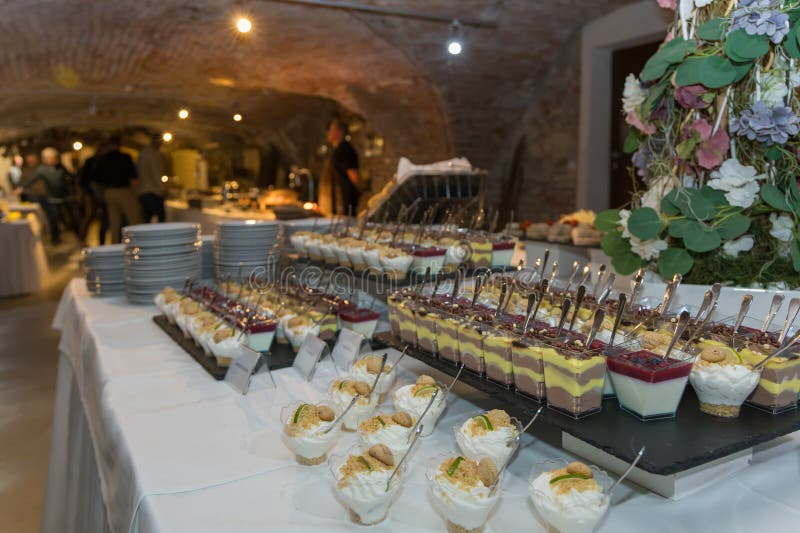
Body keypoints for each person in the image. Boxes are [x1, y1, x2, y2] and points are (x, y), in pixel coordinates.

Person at [17, 147, 69, 243]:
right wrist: (21, 188)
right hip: (45, 198)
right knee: (51, 217)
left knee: (64, 218)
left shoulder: (59, 168)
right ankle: (54, 238)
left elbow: (67, 180)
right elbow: (30, 181)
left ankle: (62, 235)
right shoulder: (41, 169)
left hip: (61, 197)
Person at [96, 136, 141, 243]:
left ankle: (115, 245)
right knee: (134, 219)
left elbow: (98, 179)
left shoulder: (103, 159)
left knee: (114, 223)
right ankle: (138, 243)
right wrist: (135, 193)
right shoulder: (125, 157)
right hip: (124, 190)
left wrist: (102, 193)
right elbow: (133, 178)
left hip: (109, 192)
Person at [325, 117, 361, 216]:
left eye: (331, 130)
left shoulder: (345, 150)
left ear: (339, 132)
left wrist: (358, 190)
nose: (328, 133)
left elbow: (354, 175)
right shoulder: (337, 150)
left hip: (345, 202)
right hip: (339, 202)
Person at [77, 143, 111, 244]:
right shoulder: (93, 161)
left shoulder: (102, 160)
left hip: (99, 193)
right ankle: (82, 237)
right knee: (90, 215)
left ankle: (98, 240)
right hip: (91, 194)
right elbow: (85, 179)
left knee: (103, 217)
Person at [137, 133, 166, 223]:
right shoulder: (152, 154)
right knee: (161, 217)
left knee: (147, 218)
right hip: (152, 191)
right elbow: (155, 173)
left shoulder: (144, 153)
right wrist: (162, 189)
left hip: (143, 191)